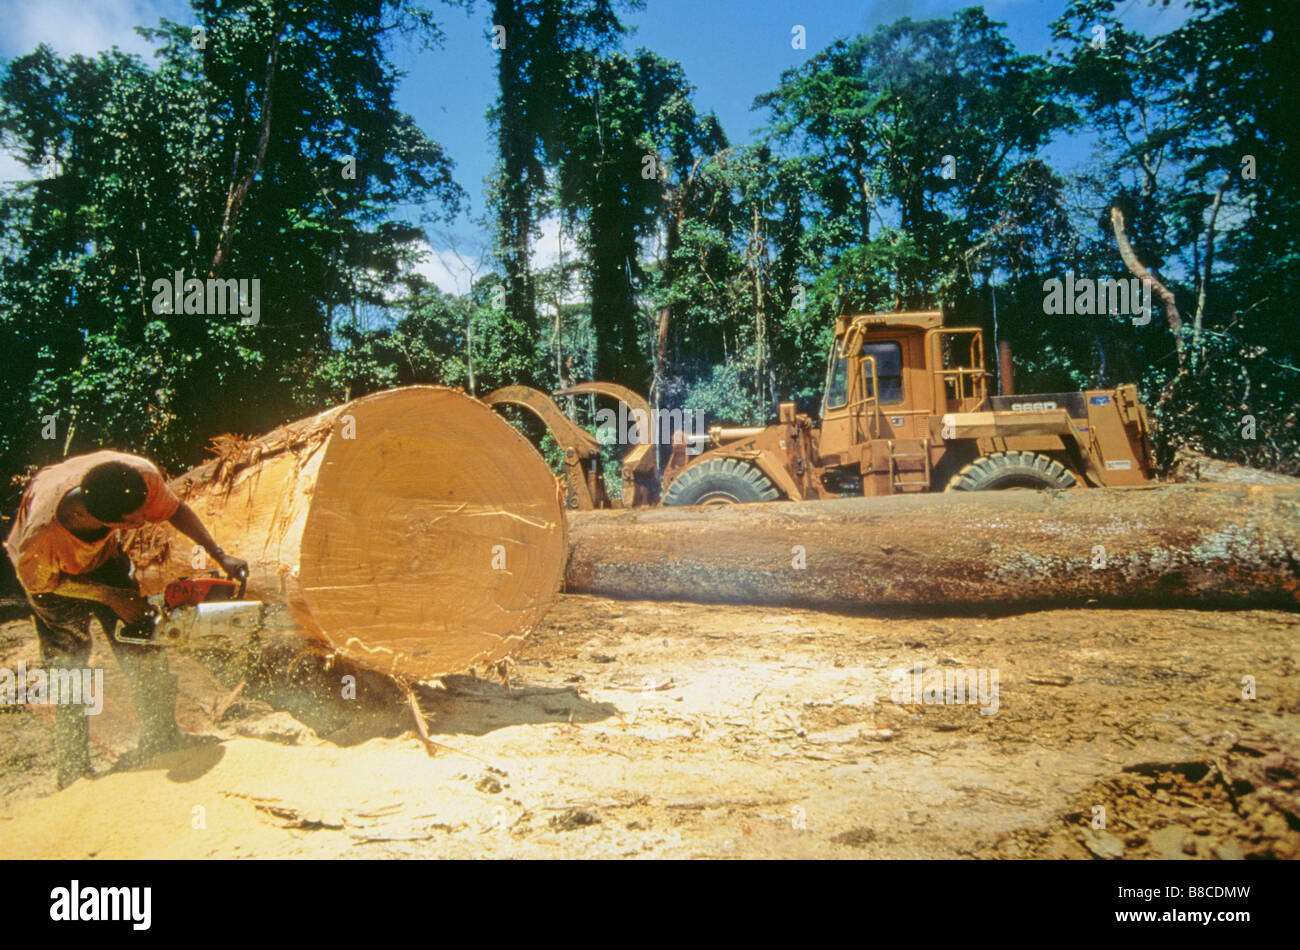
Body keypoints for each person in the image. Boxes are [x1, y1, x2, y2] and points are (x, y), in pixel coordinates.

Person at [4, 451, 248, 788]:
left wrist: (220, 555)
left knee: (143, 640)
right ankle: (73, 771)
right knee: (68, 663)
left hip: (103, 557)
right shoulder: (42, 535)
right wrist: (109, 596)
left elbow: (175, 510)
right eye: (132, 522)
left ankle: (161, 736)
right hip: (51, 579)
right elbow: (41, 583)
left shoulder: (139, 480)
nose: (144, 522)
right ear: (91, 515)